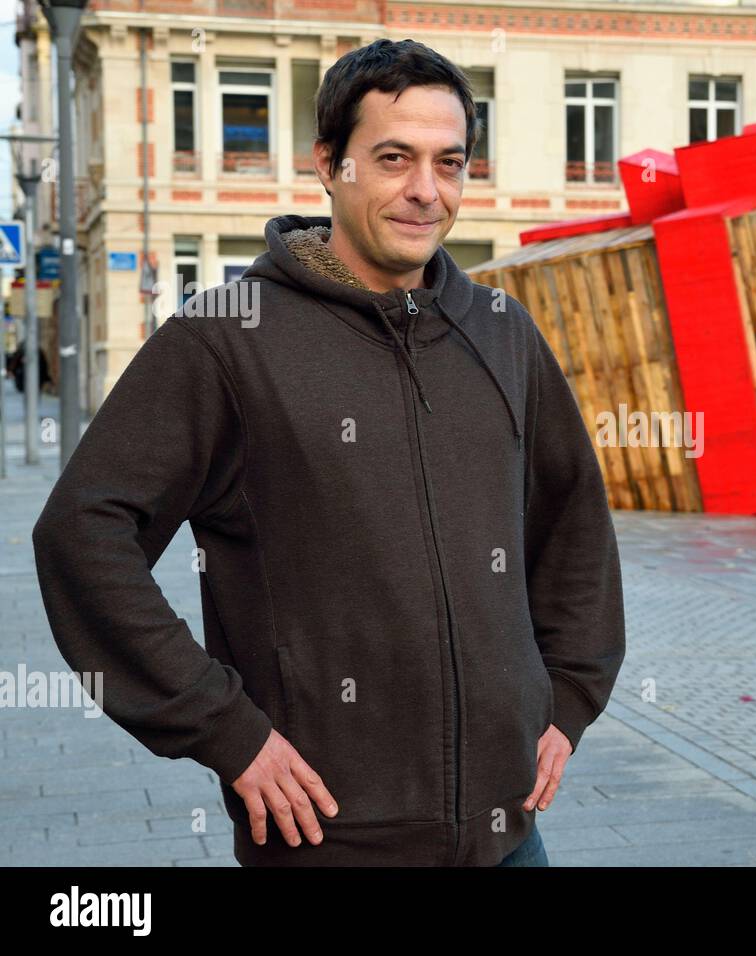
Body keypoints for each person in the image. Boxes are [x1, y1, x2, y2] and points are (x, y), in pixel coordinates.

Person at [31, 38, 626, 866]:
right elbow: (82, 532)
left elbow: (574, 525)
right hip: (326, 838)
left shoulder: (500, 332)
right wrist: (225, 728)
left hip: (506, 835)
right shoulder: (227, 337)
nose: (426, 190)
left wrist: (566, 697)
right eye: (393, 158)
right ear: (329, 164)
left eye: (449, 163)